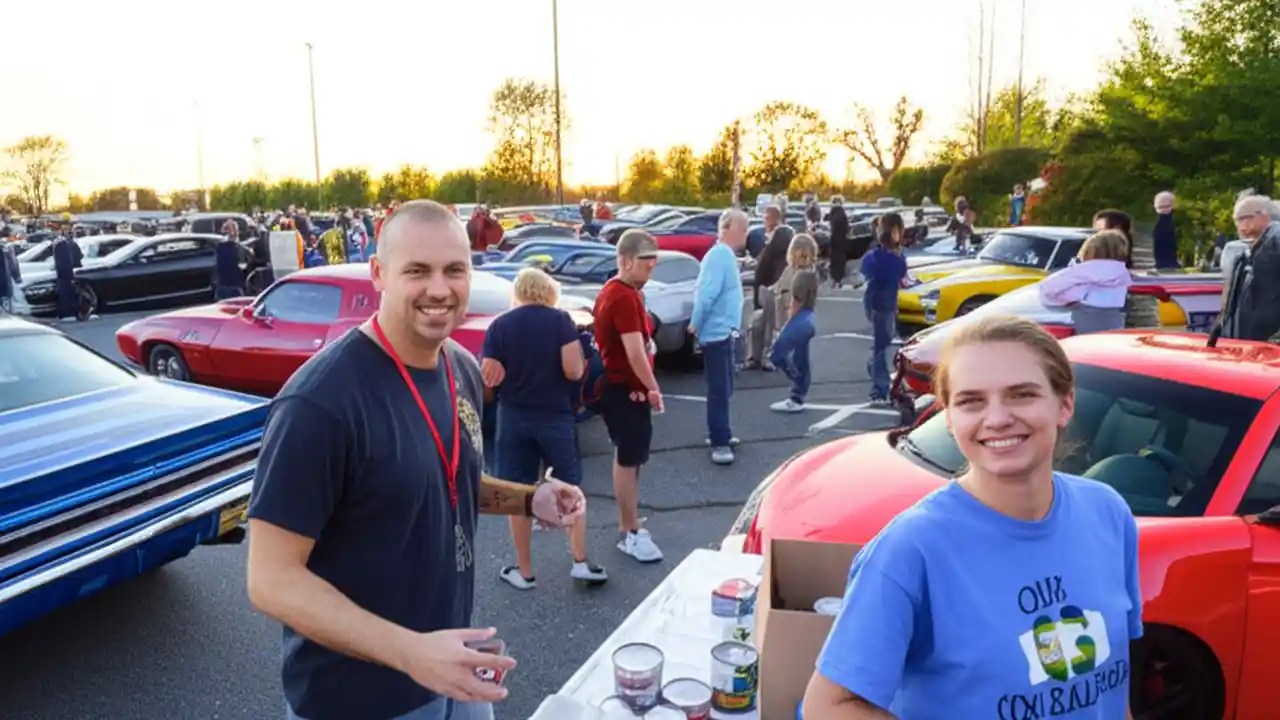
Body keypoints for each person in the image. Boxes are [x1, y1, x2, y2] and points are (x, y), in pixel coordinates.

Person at [245, 200, 588, 720]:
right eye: (417, 271)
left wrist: (527, 499)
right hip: (358, 701)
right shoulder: (321, 402)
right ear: (379, 274)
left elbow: (446, 478)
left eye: (455, 270)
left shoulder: (461, 368)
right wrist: (413, 655)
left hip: (454, 670)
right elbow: (270, 580)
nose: (439, 289)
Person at [803, 315, 1142, 720]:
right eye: (971, 401)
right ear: (949, 418)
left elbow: (1109, 689)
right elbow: (829, 706)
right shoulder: (912, 549)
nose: (996, 418)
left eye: (1021, 395)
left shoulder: (1107, 514)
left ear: (1065, 404)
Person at [481, 267, 608, 590]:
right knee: (569, 487)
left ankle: (524, 571)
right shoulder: (560, 321)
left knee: (518, 494)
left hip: (514, 417)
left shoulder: (499, 325)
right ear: (548, 291)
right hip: (554, 415)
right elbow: (573, 370)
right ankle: (580, 561)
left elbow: (489, 378)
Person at [592, 229, 665, 562]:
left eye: (654, 259)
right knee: (628, 457)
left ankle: (631, 521)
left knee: (632, 457)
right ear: (625, 260)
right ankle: (628, 531)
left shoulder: (620, 291)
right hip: (624, 389)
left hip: (624, 388)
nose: (652, 266)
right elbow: (634, 352)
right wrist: (652, 388)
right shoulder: (622, 296)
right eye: (645, 260)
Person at [689, 208, 747, 465]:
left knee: (725, 386)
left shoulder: (724, 255)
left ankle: (720, 433)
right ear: (727, 229)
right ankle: (719, 440)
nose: (745, 233)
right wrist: (695, 323)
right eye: (741, 228)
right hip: (716, 332)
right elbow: (707, 294)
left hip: (724, 331)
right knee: (719, 389)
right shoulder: (719, 256)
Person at [1038, 230, 1132, 334]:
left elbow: (1047, 287)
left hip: (1085, 325)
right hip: (1114, 324)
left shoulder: (1085, 270)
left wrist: (1063, 300)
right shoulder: (1122, 273)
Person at [860, 213, 907, 405]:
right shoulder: (880, 257)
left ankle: (875, 372)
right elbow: (893, 271)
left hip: (885, 304)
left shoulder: (884, 256)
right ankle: (879, 389)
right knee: (881, 346)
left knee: (882, 344)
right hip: (879, 304)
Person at [1221, 194, 1280, 341]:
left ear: (1262, 216)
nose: (1238, 225)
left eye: (1242, 218)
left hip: (1265, 340)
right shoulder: (1248, 249)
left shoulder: (1273, 244)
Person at [747, 205, 796, 370]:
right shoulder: (785, 239)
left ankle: (761, 357)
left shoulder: (778, 239)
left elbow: (763, 269)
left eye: (767, 218)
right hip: (771, 288)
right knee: (765, 324)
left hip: (770, 288)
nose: (765, 221)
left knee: (768, 324)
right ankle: (761, 357)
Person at [769, 269, 818, 413]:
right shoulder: (808, 316)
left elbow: (778, 352)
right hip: (805, 319)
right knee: (801, 355)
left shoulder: (800, 321)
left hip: (800, 324)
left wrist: (791, 371)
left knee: (785, 354)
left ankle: (796, 392)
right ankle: (797, 392)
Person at [214, 224, 247, 300]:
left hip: (222, 285)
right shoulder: (236, 248)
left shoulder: (219, 247)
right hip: (235, 286)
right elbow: (242, 263)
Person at [826, 196, 850, 289]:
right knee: (840, 261)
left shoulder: (833, 212)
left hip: (834, 242)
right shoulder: (842, 213)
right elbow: (847, 227)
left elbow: (830, 225)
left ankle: (835, 280)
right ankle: (839, 280)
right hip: (842, 242)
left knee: (835, 261)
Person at [1153, 191, 1180, 270]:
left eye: (1167, 206)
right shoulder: (1168, 224)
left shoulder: (1158, 224)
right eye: (1160, 207)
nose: (1164, 210)